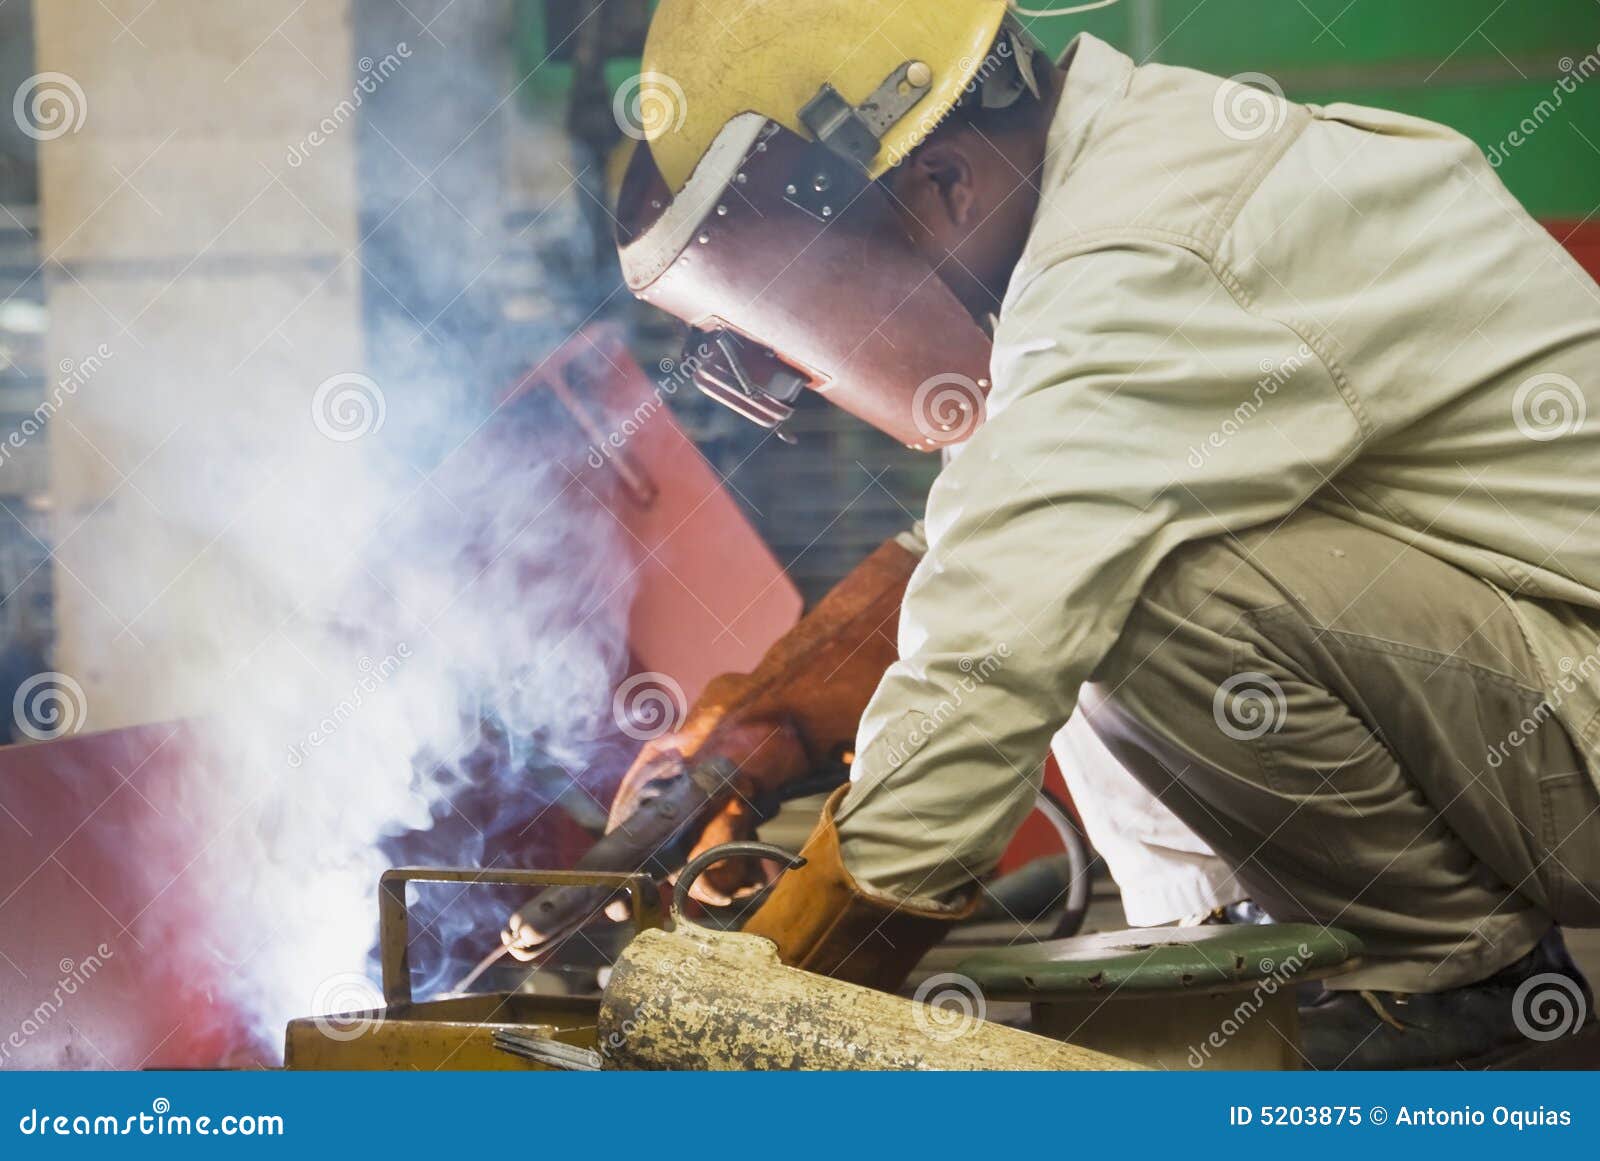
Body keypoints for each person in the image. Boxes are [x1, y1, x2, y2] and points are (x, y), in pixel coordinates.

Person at [601, 0, 1600, 1068]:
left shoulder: (1139, 254)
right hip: (1531, 694)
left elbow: (1005, 612)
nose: (803, 373)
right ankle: (1255, 954)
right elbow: (983, 535)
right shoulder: (1112, 196)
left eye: (795, 330)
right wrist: (763, 727)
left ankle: (1448, 991)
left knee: (1127, 588)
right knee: (1088, 568)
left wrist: (765, 998)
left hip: (1570, 709)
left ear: (941, 183)